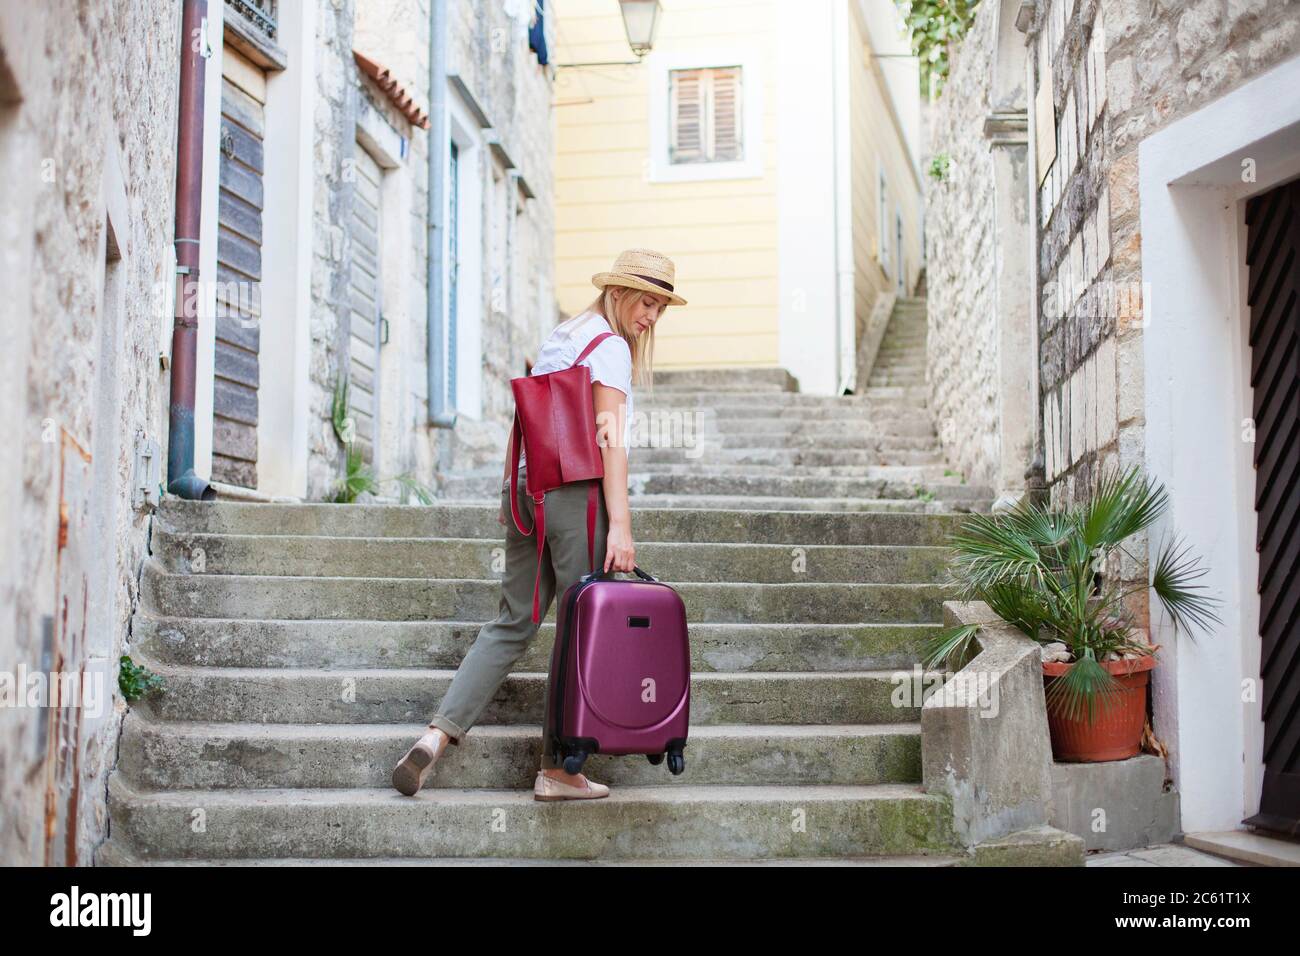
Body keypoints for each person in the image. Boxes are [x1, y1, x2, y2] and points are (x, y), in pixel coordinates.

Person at [392, 249, 687, 800]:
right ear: (619, 293)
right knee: (582, 627)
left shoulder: (565, 335)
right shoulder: (612, 347)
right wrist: (619, 525)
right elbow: (610, 440)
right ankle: (559, 770)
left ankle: (435, 736)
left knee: (514, 621)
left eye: (661, 308)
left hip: (529, 488)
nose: (651, 317)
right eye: (647, 302)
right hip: (577, 498)